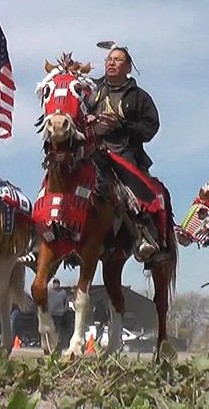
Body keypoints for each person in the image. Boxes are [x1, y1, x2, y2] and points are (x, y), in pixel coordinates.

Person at [88, 44, 161, 260]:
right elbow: (76, 110)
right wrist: (89, 121)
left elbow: (151, 128)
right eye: (109, 59)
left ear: (128, 66)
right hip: (94, 150)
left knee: (136, 189)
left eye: (118, 59)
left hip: (125, 151)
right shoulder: (91, 90)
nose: (111, 62)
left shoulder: (140, 96)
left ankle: (144, 235)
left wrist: (122, 125)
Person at [47, 279, 72, 344]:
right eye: (55, 283)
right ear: (53, 284)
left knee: (59, 329)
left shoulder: (63, 292)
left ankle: (59, 342)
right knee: (52, 329)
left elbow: (66, 302)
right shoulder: (49, 292)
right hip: (51, 314)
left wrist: (65, 310)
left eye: (57, 283)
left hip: (60, 314)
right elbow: (46, 302)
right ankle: (51, 342)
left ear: (59, 284)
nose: (56, 285)